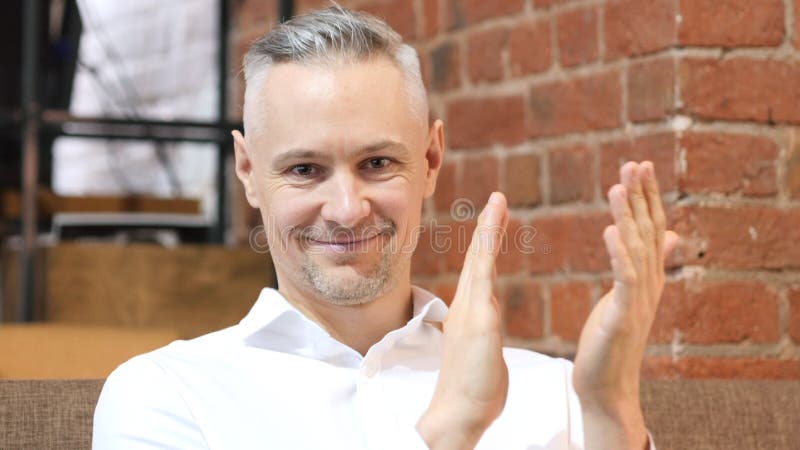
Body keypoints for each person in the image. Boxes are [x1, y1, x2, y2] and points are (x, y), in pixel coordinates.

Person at [93, 6, 680, 449]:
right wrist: (449, 426)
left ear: (429, 161)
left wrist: (610, 414)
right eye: (305, 169)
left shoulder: (562, 393)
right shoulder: (164, 394)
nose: (347, 208)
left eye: (377, 164)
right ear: (248, 171)